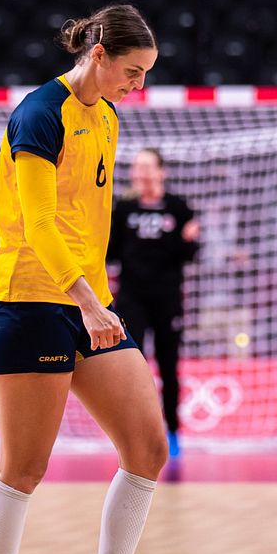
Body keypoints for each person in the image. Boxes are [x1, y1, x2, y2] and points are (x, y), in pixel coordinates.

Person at [0, 4, 166, 554]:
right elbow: (39, 224)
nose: (138, 86)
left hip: (90, 305)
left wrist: (93, 300)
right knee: (23, 471)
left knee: (148, 449)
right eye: (132, 72)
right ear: (99, 53)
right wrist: (88, 301)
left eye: (145, 75)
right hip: (30, 303)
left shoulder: (106, 116)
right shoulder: (40, 113)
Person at [108, 147, 200, 456]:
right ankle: (131, 434)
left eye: (148, 167)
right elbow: (111, 253)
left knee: (168, 364)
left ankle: (172, 432)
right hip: (131, 297)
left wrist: (189, 240)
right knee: (132, 366)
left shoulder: (178, 207)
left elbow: (189, 255)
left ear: (162, 172)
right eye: (138, 167)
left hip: (167, 297)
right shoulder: (124, 208)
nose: (142, 173)